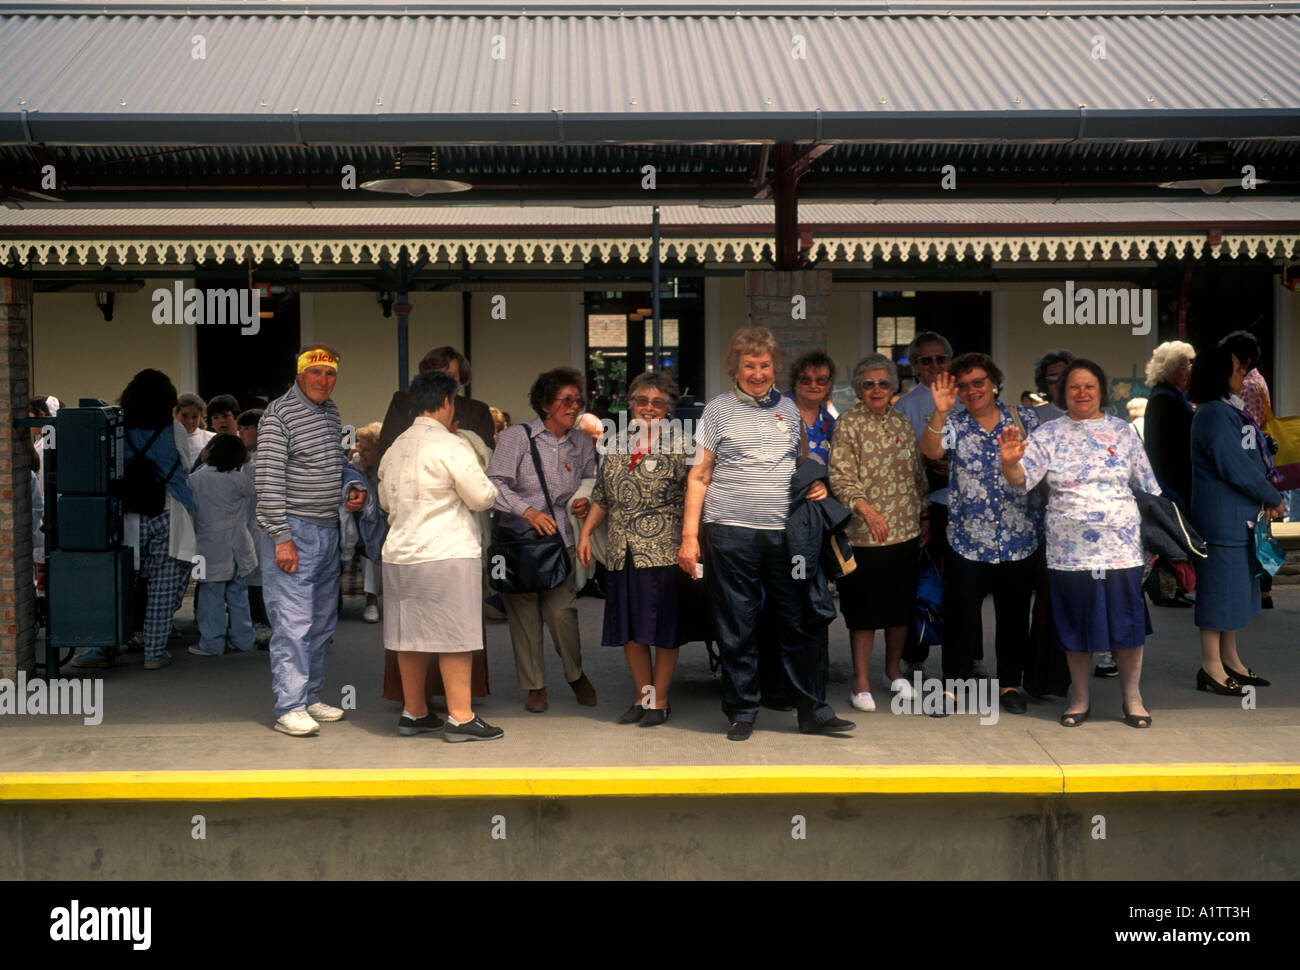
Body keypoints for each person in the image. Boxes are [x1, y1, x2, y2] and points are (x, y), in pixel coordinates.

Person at [677, 327, 853, 741]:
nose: (757, 373)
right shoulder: (717, 410)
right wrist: (690, 537)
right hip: (730, 532)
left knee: (800, 620)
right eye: (749, 365)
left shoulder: (790, 411)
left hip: (786, 535)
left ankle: (813, 711)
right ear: (734, 368)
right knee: (738, 623)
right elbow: (699, 476)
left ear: (775, 368)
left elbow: (801, 464)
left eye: (765, 365)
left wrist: (817, 485)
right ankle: (742, 710)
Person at [1000, 359, 1160, 729]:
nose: (1082, 393)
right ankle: (1080, 696)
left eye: (1089, 386)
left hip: (1120, 546)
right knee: (1076, 624)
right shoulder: (1048, 434)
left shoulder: (1122, 432)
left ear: (1101, 390)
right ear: (1062, 392)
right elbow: (1020, 480)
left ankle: (1132, 697)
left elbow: (1149, 486)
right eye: (1074, 386)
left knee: (1126, 624)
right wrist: (1010, 462)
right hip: (1069, 550)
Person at [380, 370, 504, 742]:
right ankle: (461, 718)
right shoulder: (452, 446)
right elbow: (481, 497)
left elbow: (386, 501)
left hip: (400, 553)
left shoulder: (395, 447)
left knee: (408, 637)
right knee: (456, 637)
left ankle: (414, 711)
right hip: (446, 550)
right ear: (447, 401)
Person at [921, 353, 1044, 715]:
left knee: (1014, 615)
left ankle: (1009, 685)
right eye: (963, 386)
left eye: (978, 382)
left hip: (1019, 537)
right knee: (961, 616)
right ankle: (954, 688)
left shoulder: (1026, 419)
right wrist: (940, 411)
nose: (972, 390)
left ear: (993, 382)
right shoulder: (955, 423)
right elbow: (931, 451)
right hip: (967, 539)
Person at [256, 345, 365, 737]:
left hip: (326, 530)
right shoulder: (278, 415)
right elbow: (266, 480)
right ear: (300, 375)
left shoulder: (330, 412)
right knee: (293, 622)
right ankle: (289, 706)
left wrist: (352, 483)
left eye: (330, 374)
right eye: (316, 372)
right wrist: (281, 538)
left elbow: (336, 464)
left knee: (320, 622)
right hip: (294, 531)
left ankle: (309, 696)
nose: (324, 381)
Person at [577, 372, 689, 727]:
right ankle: (644, 697)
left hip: (662, 551)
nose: (649, 409)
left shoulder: (681, 444)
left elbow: (696, 496)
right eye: (643, 401)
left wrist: (692, 541)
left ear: (669, 408)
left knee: (661, 629)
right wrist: (585, 533)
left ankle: (661, 700)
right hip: (621, 549)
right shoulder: (617, 442)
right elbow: (603, 496)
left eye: (658, 402)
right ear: (631, 404)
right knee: (629, 629)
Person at [487, 366, 598, 712]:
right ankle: (534, 686)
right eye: (566, 400)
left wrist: (584, 498)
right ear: (545, 403)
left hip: (559, 541)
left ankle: (574, 673)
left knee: (562, 612)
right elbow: (494, 485)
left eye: (578, 400)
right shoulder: (516, 438)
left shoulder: (581, 442)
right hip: (519, 542)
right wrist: (528, 511)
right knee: (523, 617)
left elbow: (590, 478)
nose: (574, 406)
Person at [72, 370, 195, 671]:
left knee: (117, 582)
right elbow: (187, 465)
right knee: (164, 585)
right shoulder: (174, 428)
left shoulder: (117, 425)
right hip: (169, 510)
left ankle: (102, 648)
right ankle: (154, 651)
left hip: (127, 514)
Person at [828, 354, 929, 712]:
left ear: (893, 387)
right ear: (858, 388)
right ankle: (860, 681)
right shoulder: (848, 424)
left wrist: (925, 517)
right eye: (868, 384)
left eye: (882, 383)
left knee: (900, 607)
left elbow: (917, 474)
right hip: (863, 533)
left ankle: (893, 671)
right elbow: (840, 476)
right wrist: (866, 510)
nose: (876, 389)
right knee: (865, 611)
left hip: (904, 529)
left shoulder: (902, 423)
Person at [1186, 345, 1285, 696]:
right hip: (1221, 520)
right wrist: (1271, 495)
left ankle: (1231, 661)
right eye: (1236, 370)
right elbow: (1236, 467)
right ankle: (1211, 667)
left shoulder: (1224, 410)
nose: (1242, 375)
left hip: (1237, 518)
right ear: (1219, 374)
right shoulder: (1214, 414)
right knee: (1218, 592)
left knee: (1232, 592)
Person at [893, 331, 970, 675]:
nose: (935, 365)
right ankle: (914, 657)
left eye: (941, 358)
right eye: (926, 360)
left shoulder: (969, 394)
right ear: (915, 366)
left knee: (966, 587)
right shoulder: (907, 404)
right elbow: (901, 458)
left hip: (968, 507)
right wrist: (928, 462)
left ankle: (969, 659)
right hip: (928, 506)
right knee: (921, 583)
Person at [1218, 331, 1277, 610]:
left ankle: (1262, 592)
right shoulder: (1257, 381)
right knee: (1260, 530)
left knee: (1256, 532)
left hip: (1252, 467)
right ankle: (1262, 591)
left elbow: (1247, 430)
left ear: (1245, 361)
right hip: (1257, 465)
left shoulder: (1247, 386)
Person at [188, 434, 258, 656]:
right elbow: (257, 489)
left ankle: (212, 642)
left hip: (208, 548)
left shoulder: (195, 481)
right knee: (238, 595)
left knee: (211, 597)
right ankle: (244, 640)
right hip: (239, 544)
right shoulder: (240, 479)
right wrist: (248, 462)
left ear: (209, 451)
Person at [379, 345, 496, 456]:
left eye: (450, 376)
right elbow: (387, 446)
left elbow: (485, 457)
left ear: (461, 379)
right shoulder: (403, 402)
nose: (442, 382)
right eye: (437, 375)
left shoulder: (477, 411)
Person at [1142, 341, 1197, 510]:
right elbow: (1168, 450)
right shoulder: (1164, 399)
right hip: (1173, 486)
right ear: (1167, 369)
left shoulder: (1171, 395)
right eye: (1182, 367)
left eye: (1188, 366)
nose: (1188, 372)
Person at [237, 409, 270, 645]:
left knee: (259, 578)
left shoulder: (261, 459)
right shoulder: (249, 457)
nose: (241, 435)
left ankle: (262, 624)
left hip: (263, 527)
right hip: (253, 527)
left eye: (244, 430)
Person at [350, 421, 384, 623]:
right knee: (369, 538)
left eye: (366, 450)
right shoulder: (354, 463)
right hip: (362, 521)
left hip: (389, 519)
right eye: (359, 447)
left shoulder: (388, 468)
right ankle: (371, 600)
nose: (360, 453)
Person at [784, 350, 838, 463]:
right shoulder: (776, 410)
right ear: (795, 382)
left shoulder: (830, 423)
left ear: (829, 385)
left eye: (821, 380)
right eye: (805, 380)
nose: (813, 385)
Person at [1032, 349, 1076, 423]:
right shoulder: (1035, 416)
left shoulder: (1094, 413)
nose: (1060, 382)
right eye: (1053, 378)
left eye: (1064, 376)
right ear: (1045, 385)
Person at [174, 392, 215, 471]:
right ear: (176, 414)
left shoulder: (212, 439)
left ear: (200, 417)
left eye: (194, 416)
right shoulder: (167, 438)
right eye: (184, 415)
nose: (189, 421)